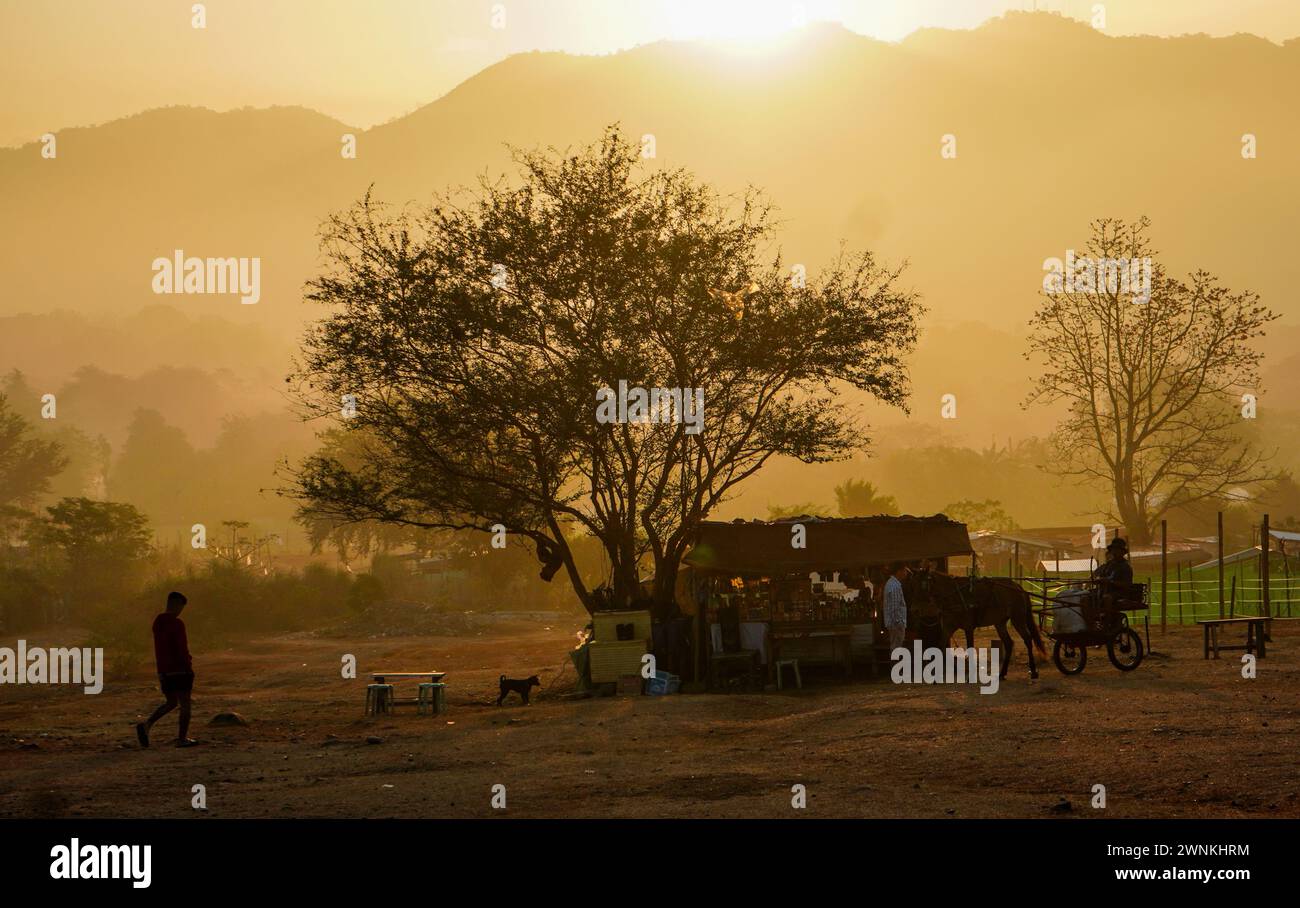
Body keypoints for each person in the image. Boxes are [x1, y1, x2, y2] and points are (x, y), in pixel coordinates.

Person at [136, 591, 198, 748]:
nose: (180, 611)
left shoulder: (158, 622)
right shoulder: (177, 624)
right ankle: (182, 738)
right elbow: (181, 648)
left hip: (164, 670)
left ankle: (147, 725)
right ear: (176, 604)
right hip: (180, 669)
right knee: (185, 704)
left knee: (171, 702)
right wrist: (188, 666)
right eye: (181, 607)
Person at [883, 561, 910, 653]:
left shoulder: (892, 584)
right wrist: (899, 623)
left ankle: (896, 665)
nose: (906, 573)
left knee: (896, 647)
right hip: (896, 624)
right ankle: (895, 666)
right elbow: (895, 608)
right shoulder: (894, 586)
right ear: (899, 571)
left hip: (894, 623)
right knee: (897, 648)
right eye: (905, 571)